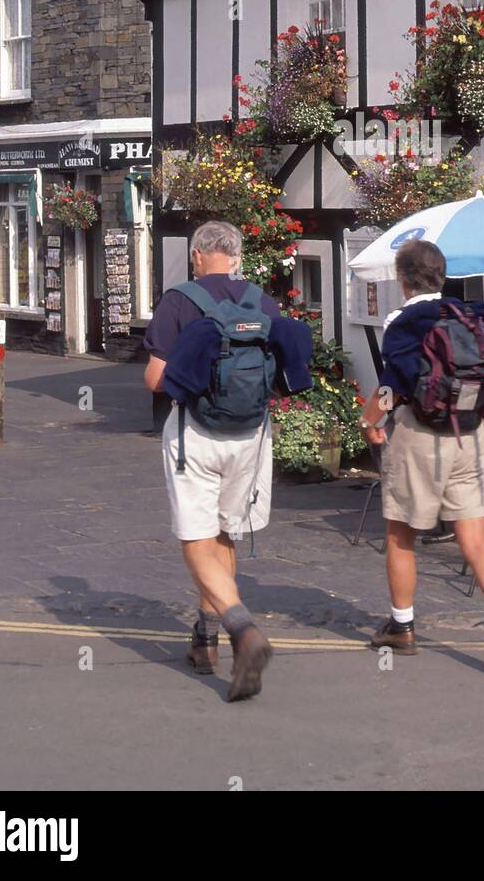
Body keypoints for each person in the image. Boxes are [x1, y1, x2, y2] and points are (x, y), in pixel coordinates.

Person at [144, 220, 310, 703]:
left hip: (195, 433)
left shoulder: (179, 300)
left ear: (197, 256)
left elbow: (155, 380)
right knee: (225, 534)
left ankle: (241, 629)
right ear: (236, 257)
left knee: (196, 541)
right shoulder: (263, 302)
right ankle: (205, 637)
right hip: (250, 437)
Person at [359, 239, 484, 675]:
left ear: (401, 279)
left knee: (401, 534)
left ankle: (402, 626)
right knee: (474, 538)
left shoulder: (405, 322)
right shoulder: (472, 317)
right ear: (442, 275)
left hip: (420, 435)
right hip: (469, 434)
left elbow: (390, 387)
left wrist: (368, 421)